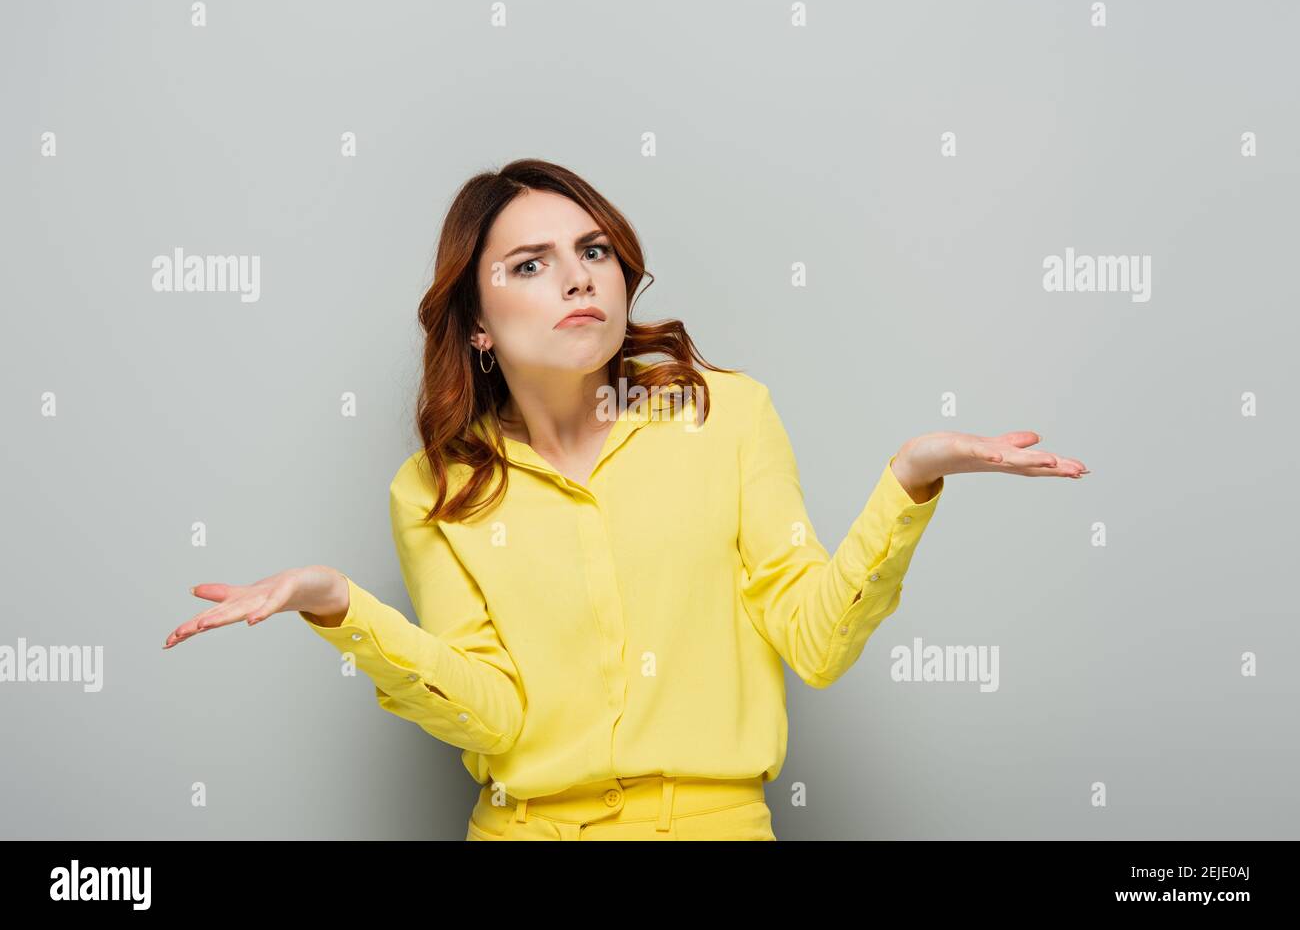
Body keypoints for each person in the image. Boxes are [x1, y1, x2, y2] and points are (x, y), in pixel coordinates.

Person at [162, 158, 1089, 840]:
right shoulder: (434, 490)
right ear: (478, 328)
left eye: (594, 250)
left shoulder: (727, 415)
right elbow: (493, 716)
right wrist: (341, 605)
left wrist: (909, 480)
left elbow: (816, 641)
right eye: (529, 264)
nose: (576, 277)